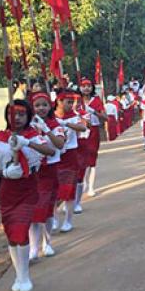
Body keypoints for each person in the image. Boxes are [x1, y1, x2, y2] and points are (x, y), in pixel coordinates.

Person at [0, 100, 55, 291]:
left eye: (22, 114)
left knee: (21, 229)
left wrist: (27, 143)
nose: (17, 118)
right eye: (13, 114)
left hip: (28, 188)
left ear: (28, 116)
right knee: (11, 234)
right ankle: (18, 274)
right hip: (7, 190)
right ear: (6, 116)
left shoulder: (33, 135)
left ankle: (25, 276)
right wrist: (4, 173)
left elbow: (51, 150)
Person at [28, 92, 66, 260]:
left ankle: (47, 243)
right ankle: (33, 248)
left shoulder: (55, 124)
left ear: (50, 106)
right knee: (34, 211)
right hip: (33, 172)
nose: (41, 108)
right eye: (37, 105)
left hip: (50, 171)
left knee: (47, 209)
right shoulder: (27, 126)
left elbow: (59, 144)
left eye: (44, 105)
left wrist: (47, 129)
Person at [54, 90, 87, 233]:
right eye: (67, 102)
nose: (70, 105)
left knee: (69, 190)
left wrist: (66, 124)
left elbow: (83, 127)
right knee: (53, 191)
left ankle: (68, 220)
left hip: (70, 156)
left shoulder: (74, 117)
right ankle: (54, 219)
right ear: (59, 102)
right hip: (55, 157)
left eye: (71, 102)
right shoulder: (51, 117)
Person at [79, 79, 107, 197]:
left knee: (92, 160)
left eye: (89, 86)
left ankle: (91, 186)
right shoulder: (76, 101)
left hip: (93, 131)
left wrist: (94, 112)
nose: (86, 88)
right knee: (81, 160)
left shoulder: (96, 101)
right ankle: (82, 183)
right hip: (80, 132)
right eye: (83, 86)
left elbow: (104, 117)